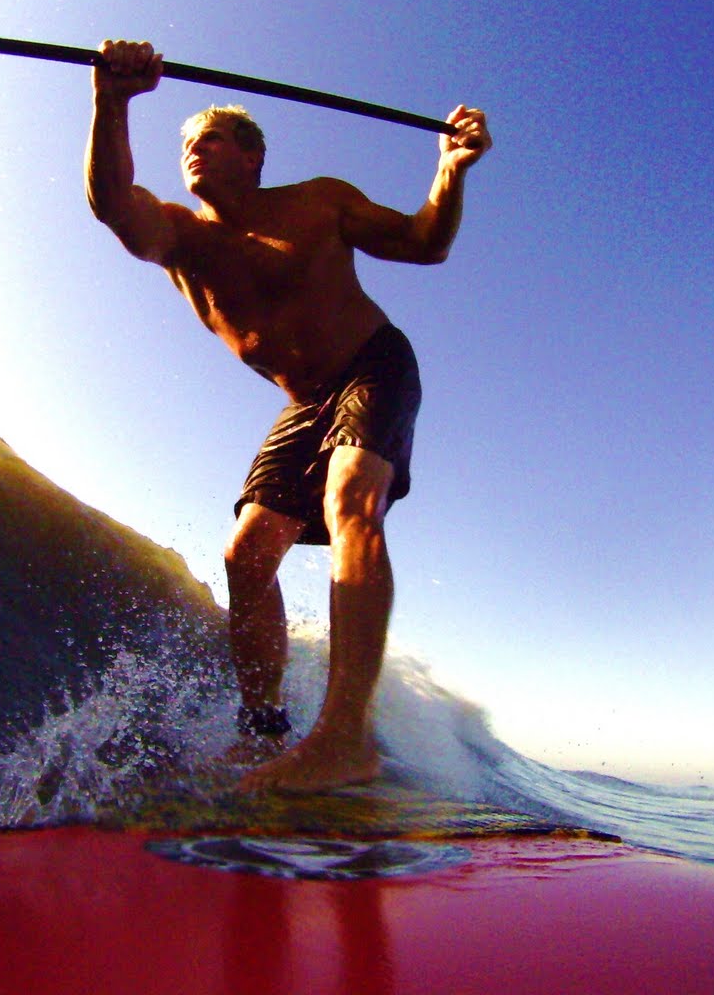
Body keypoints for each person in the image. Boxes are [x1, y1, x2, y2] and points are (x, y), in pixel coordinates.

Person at [84, 39, 491, 792]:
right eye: (183, 145)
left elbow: (423, 243)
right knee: (247, 555)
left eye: (207, 139)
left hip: (374, 363)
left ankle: (345, 738)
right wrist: (112, 101)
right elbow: (114, 204)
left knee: (349, 503)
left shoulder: (318, 201)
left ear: (251, 154)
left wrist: (449, 171)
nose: (191, 152)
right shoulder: (183, 238)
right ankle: (263, 729)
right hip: (302, 405)